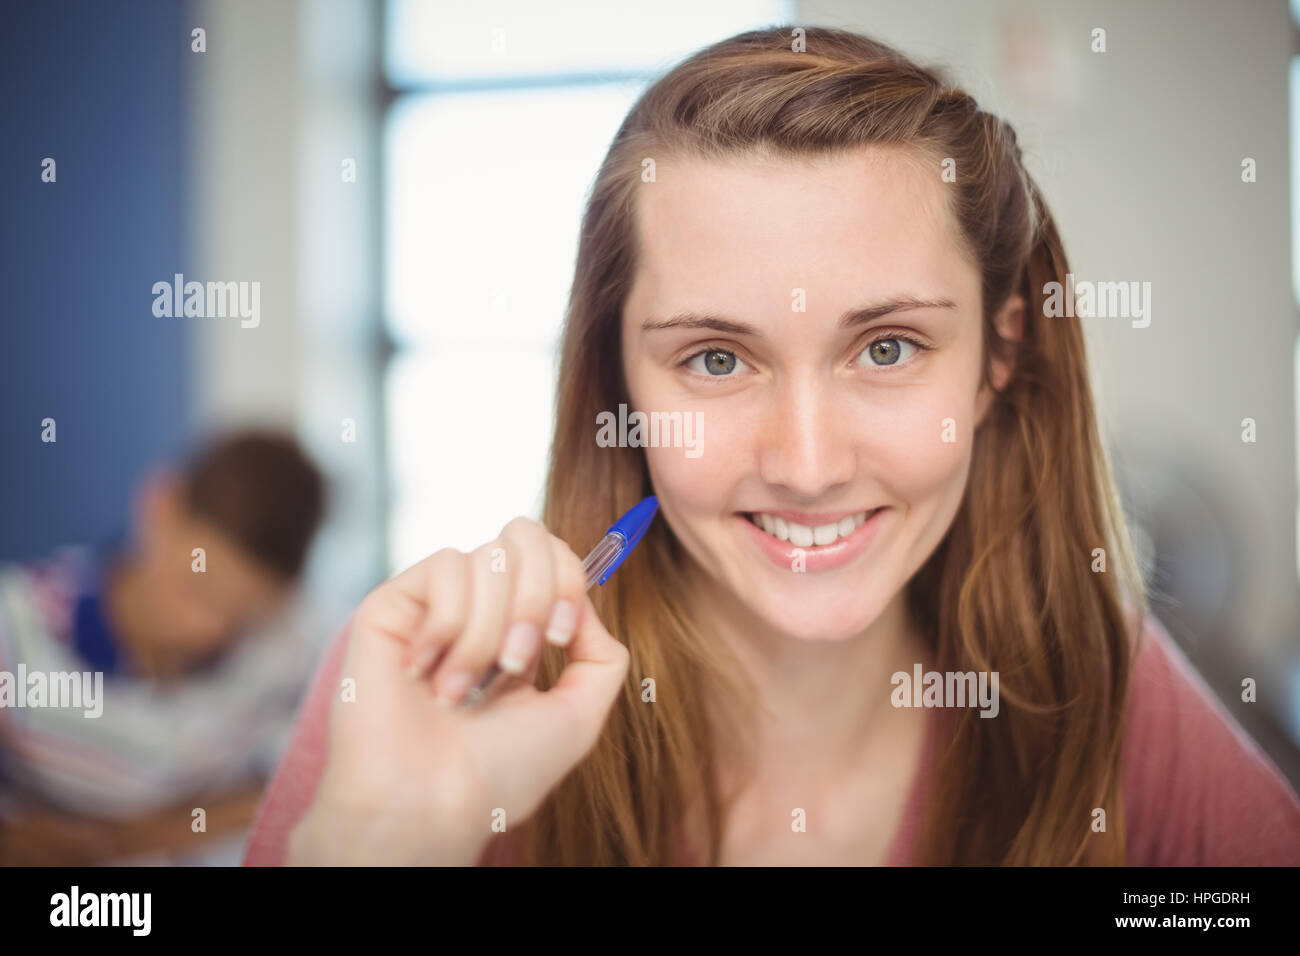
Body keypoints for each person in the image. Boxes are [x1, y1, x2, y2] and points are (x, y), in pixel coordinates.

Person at [248, 26, 1300, 866]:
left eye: (886, 346)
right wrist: (377, 848)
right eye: (714, 359)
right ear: (619, 383)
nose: (805, 462)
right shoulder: (425, 696)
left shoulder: (1102, 696)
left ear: (996, 359)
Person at [0, 429, 326, 864]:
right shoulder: (15, 630)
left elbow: (283, 786)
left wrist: (125, 840)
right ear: (161, 506)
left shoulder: (285, 658)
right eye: (197, 588)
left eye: (240, 614)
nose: (207, 630)